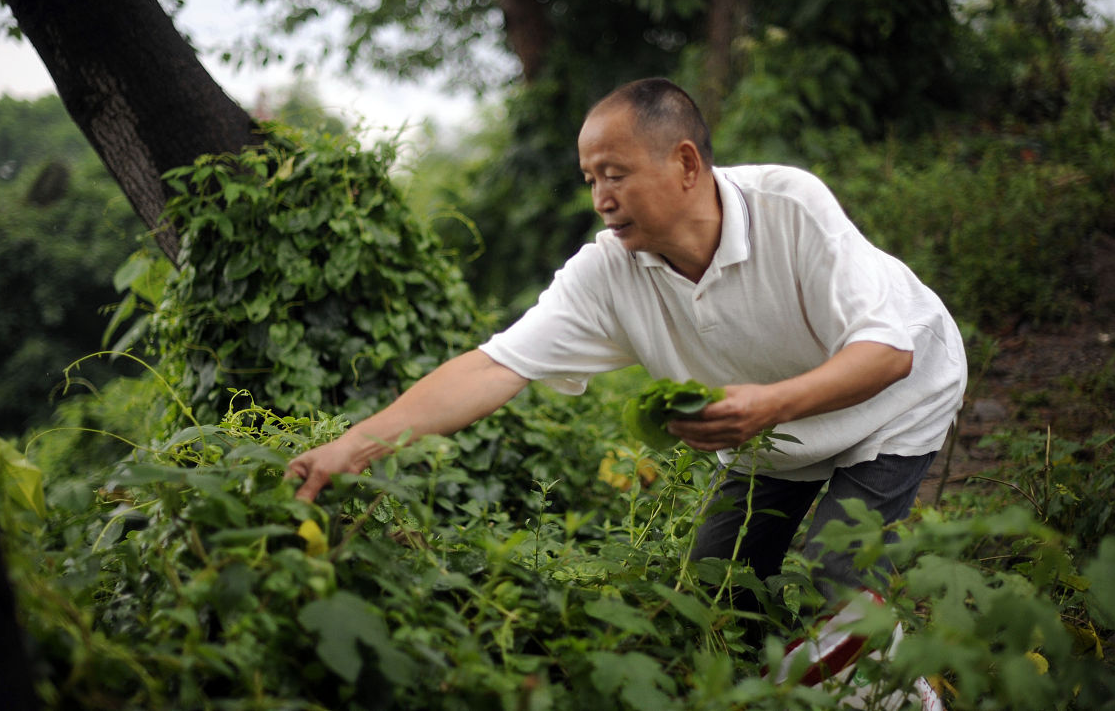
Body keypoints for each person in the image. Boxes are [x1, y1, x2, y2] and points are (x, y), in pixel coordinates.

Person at [286, 77, 967, 606]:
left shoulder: (790, 206)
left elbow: (888, 352)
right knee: (715, 592)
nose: (601, 199)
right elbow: (496, 367)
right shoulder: (606, 272)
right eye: (590, 180)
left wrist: (771, 405)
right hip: (774, 436)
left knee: (834, 578)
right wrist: (357, 443)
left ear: (686, 163)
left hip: (896, 402)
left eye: (616, 173)